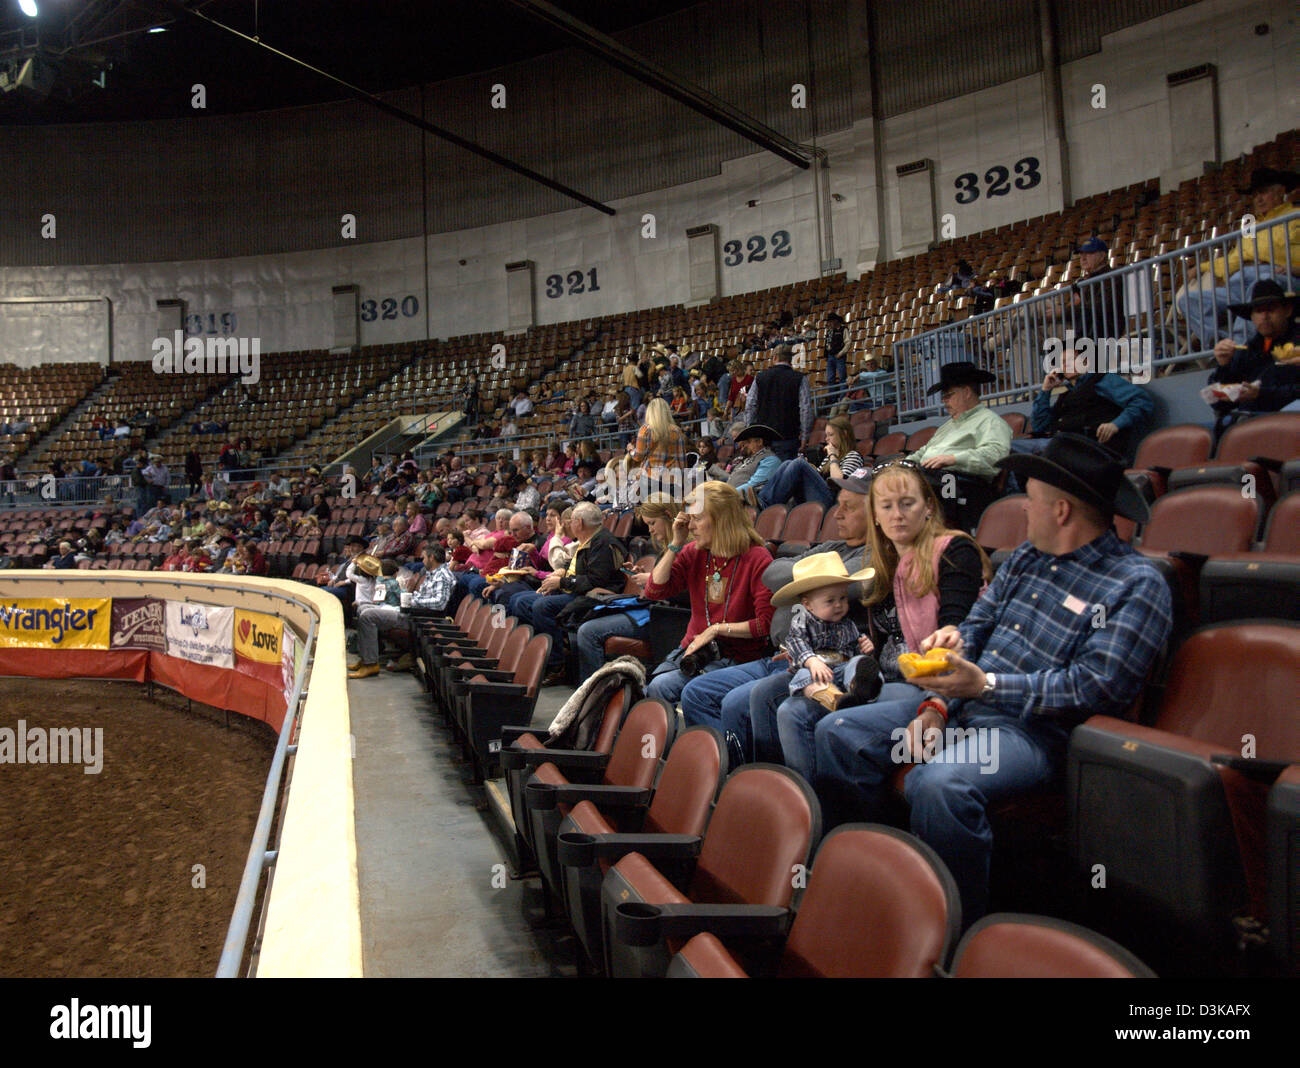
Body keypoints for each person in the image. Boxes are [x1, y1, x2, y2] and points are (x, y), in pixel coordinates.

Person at [814, 434, 1171, 921]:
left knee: (939, 784)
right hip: (964, 707)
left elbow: (1096, 687)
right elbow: (976, 628)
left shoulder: (1136, 583)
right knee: (838, 733)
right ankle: (883, 870)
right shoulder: (1025, 559)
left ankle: (956, 926)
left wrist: (985, 686)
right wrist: (937, 703)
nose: (1024, 513)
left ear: (1062, 511)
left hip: (1038, 732)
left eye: (1033, 503)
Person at [775, 460, 990, 781]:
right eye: (886, 506)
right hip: (881, 675)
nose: (897, 514)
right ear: (876, 515)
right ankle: (813, 813)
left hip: (931, 684)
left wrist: (937, 700)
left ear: (929, 507)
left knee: (836, 729)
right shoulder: (889, 562)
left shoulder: (953, 550)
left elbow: (956, 629)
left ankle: (853, 824)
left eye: (907, 504)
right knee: (791, 710)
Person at [642, 481, 774, 708]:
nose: (691, 526)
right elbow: (654, 591)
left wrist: (716, 629)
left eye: (697, 518)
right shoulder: (694, 552)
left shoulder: (757, 558)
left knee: (661, 687)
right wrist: (675, 543)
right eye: (689, 518)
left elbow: (765, 624)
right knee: (649, 687)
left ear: (723, 519)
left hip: (736, 656)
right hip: (695, 648)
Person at [1173, 167, 1300, 349]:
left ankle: (1241, 348)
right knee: (1188, 300)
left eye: (1263, 192)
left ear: (1280, 191)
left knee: (1259, 285)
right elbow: (1235, 258)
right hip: (1241, 279)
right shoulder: (1251, 224)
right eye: (1255, 195)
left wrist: (1292, 268)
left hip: (1281, 277)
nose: (1258, 199)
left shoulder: (1295, 217)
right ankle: (1221, 346)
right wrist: (1201, 267)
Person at [573, 493, 684, 681]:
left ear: (668, 515)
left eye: (653, 523)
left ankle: (595, 694)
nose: (650, 531)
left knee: (589, 632)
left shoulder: (682, 547)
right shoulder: (668, 547)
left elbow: (680, 589)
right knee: (586, 619)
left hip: (665, 617)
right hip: (652, 610)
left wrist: (650, 579)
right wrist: (641, 573)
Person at [512, 501, 624, 685]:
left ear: (579, 522)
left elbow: (595, 581)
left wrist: (561, 582)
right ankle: (549, 651)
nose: (568, 525)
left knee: (542, 605)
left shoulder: (602, 543)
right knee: (520, 601)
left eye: (571, 521)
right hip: (577, 589)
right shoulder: (589, 539)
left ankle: (557, 664)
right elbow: (576, 566)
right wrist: (562, 572)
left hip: (595, 596)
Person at [907, 362, 1012, 529]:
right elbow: (925, 452)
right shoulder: (947, 426)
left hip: (961, 484)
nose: (944, 401)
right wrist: (905, 463)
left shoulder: (991, 422)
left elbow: (995, 456)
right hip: (937, 479)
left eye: (948, 396)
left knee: (914, 486)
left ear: (967, 392)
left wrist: (953, 459)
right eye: (943, 397)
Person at [773, 552, 880, 710]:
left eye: (843, 598)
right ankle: (833, 698)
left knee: (858, 664)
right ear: (808, 605)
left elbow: (854, 648)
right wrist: (811, 661)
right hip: (815, 672)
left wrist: (865, 648)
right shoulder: (802, 622)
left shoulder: (848, 624)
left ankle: (860, 689)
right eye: (830, 601)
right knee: (804, 677)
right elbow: (796, 641)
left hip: (841, 669)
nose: (838, 605)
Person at [1012, 345, 1154, 464]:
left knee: (1010, 449)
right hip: (1061, 447)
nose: (1066, 365)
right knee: (1008, 450)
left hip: (1089, 450)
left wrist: (1116, 424)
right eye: (1062, 362)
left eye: (1071, 360)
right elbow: (1040, 425)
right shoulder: (1066, 395)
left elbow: (1142, 401)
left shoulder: (1102, 380)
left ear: (1086, 362)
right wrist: (1045, 391)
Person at [1206, 279, 1300, 418]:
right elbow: (1217, 403)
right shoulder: (1246, 350)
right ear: (1252, 317)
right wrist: (1223, 366)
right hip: (1250, 422)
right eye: (1258, 311)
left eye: (1270, 309)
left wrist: (1261, 394)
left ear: (1287, 311)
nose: (1265, 317)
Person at [758, 415, 864, 509]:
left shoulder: (853, 455)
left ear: (844, 434)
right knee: (787, 463)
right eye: (826, 435)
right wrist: (809, 468)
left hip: (832, 501)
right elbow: (817, 478)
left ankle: (766, 504)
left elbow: (839, 482)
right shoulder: (830, 458)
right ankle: (760, 499)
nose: (826, 439)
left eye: (830, 435)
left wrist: (832, 456)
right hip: (818, 494)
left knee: (798, 464)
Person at [744, 345, 813, 461]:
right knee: (785, 475)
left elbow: (750, 405)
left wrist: (749, 433)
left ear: (775, 358)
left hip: (763, 438)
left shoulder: (760, 377)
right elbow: (805, 409)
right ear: (790, 359)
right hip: (788, 436)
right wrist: (805, 436)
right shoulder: (800, 378)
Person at [628, 397, 687, 494]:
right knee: (671, 508)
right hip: (672, 479)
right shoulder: (676, 430)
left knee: (651, 509)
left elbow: (638, 456)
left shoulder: (645, 430)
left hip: (650, 478)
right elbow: (682, 460)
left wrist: (630, 450)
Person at [824, 312, 848, 396]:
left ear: (835, 321)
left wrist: (841, 353)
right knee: (830, 378)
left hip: (839, 356)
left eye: (831, 321)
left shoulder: (843, 329)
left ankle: (842, 397)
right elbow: (827, 343)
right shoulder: (830, 331)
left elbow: (848, 343)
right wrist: (826, 355)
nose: (829, 324)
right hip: (831, 356)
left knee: (842, 377)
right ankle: (832, 398)